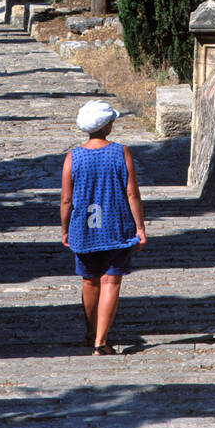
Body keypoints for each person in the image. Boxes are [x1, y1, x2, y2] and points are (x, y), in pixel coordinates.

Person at [61, 100, 146, 355]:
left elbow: (66, 199)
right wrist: (140, 228)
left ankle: (90, 331)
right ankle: (101, 341)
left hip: (83, 229)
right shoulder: (121, 152)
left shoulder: (72, 157)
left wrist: (65, 229)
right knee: (111, 282)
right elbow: (132, 194)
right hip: (116, 227)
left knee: (89, 281)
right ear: (107, 126)